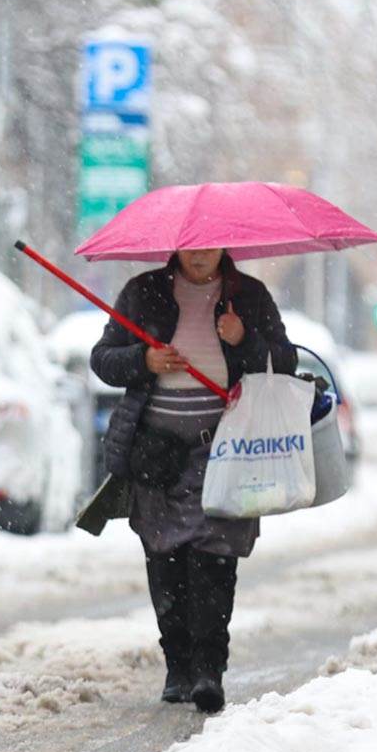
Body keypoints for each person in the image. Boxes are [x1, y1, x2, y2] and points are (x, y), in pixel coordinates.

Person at [90, 248, 296, 712]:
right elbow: (102, 360)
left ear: (224, 246)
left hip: (226, 450)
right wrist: (144, 359)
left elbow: (282, 362)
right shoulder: (142, 293)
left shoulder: (250, 296)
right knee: (164, 560)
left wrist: (244, 339)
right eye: (192, 247)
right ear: (176, 247)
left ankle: (208, 670)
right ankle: (177, 666)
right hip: (156, 454)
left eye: (209, 247)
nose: (201, 257)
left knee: (215, 559)